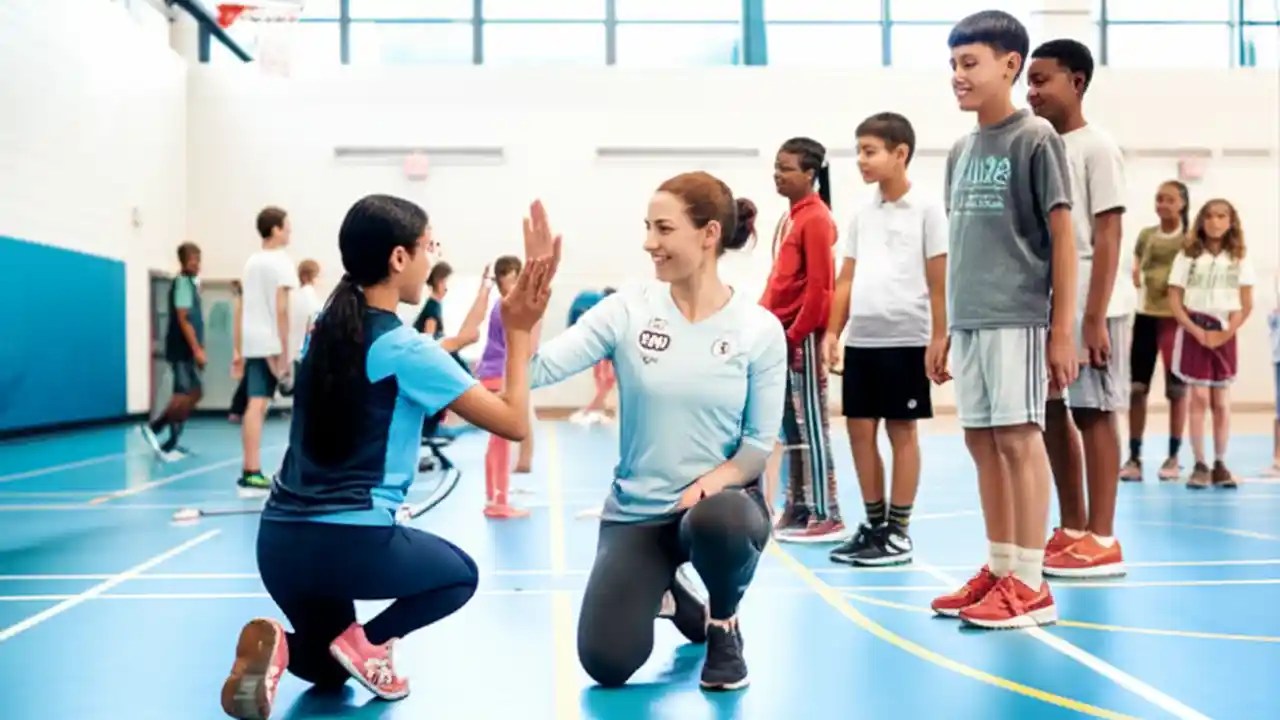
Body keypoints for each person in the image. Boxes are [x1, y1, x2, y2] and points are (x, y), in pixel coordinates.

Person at [219, 194, 560, 720]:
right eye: (429, 246)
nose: (431, 257)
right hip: (352, 541)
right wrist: (517, 331)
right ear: (399, 258)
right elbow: (514, 422)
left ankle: (283, 649)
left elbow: (379, 402)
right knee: (458, 575)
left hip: (280, 545)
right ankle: (369, 642)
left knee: (331, 668)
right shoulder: (406, 347)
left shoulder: (326, 334)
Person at [527, 172, 784, 691]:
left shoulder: (758, 329)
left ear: (708, 234)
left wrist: (711, 484)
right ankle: (673, 592)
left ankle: (722, 625)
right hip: (637, 515)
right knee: (607, 662)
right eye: (648, 227)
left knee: (725, 521)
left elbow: (757, 446)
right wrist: (526, 312)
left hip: (717, 507)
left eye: (663, 229)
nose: (649, 242)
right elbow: (534, 371)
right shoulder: (628, 309)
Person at [928, 10, 1078, 630]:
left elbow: (1063, 238)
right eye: (954, 65)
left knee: (1019, 439)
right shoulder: (961, 150)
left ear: (1009, 66)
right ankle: (1000, 564)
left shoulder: (1035, 138)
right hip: (971, 321)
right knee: (980, 440)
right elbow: (959, 245)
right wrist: (943, 327)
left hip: (1017, 315)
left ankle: (1031, 582)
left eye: (971, 64)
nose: (958, 77)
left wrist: (1062, 327)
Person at [1026, 39, 1130, 579]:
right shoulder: (1040, 145)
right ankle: (1073, 526)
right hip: (1052, 304)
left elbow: (1109, 233)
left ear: (1077, 82)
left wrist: (1093, 316)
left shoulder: (1097, 146)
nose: (1031, 90)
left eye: (1043, 80)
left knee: (1093, 411)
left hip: (1096, 304)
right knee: (1051, 411)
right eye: (1029, 81)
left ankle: (1104, 537)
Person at [825, 112, 948, 567]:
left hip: (907, 337)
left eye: (870, 151)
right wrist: (833, 332)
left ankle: (899, 530)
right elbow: (846, 278)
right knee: (859, 431)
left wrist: (939, 336)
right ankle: (874, 524)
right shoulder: (861, 213)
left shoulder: (929, 210)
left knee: (901, 432)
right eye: (858, 150)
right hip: (865, 340)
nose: (861, 159)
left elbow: (939, 281)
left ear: (901, 154)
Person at [762, 137, 843, 543]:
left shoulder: (816, 218)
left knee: (811, 427)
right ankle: (798, 505)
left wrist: (796, 337)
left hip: (802, 340)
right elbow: (781, 284)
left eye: (786, 168)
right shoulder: (791, 217)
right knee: (789, 430)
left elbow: (820, 290)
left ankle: (827, 513)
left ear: (810, 174)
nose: (778, 174)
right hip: (781, 339)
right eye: (776, 166)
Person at [1168, 199, 1254, 488]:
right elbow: (1174, 299)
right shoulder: (1188, 256)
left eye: (1222, 216)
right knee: (1199, 398)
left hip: (1225, 330)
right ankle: (1200, 463)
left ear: (1231, 222)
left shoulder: (1239, 257)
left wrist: (1226, 333)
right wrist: (1195, 330)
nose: (1216, 222)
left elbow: (1246, 303)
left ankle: (1220, 462)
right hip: (1196, 328)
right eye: (1210, 216)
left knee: (1221, 401)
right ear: (1201, 221)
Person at [1123, 180, 1192, 481]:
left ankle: (1174, 456)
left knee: (1176, 390)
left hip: (1176, 319)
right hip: (1146, 316)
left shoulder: (1190, 239)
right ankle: (1134, 457)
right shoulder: (1146, 235)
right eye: (1158, 199)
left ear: (1182, 204)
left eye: (1169, 200)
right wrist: (1137, 271)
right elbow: (1137, 260)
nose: (1162, 204)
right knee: (1137, 389)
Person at [234, 206, 298, 491]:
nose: (290, 231)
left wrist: (239, 348)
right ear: (275, 229)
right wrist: (284, 353)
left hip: (254, 339)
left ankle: (250, 468)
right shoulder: (281, 262)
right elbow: (281, 309)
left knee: (255, 404)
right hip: (271, 341)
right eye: (287, 226)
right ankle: (253, 470)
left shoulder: (251, 262)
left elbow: (244, 305)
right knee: (259, 404)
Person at [475, 255, 533, 518]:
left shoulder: (501, 305)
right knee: (500, 442)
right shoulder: (508, 307)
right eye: (510, 276)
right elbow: (516, 347)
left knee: (497, 442)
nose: (514, 281)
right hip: (499, 375)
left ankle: (495, 496)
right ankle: (498, 501)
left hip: (493, 373)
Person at [141, 242, 206, 460]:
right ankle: (156, 428)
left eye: (198, 259)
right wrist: (196, 349)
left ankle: (171, 439)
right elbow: (183, 318)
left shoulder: (191, 284)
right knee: (183, 393)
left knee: (194, 393)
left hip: (189, 349)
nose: (197, 264)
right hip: (181, 348)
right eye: (193, 260)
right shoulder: (182, 284)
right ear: (184, 261)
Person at [567, 287, 618, 425]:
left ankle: (594, 408)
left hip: (584, 333)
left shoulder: (590, 299)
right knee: (606, 376)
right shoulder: (603, 307)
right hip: (590, 334)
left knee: (605, 375)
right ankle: (593, 408)